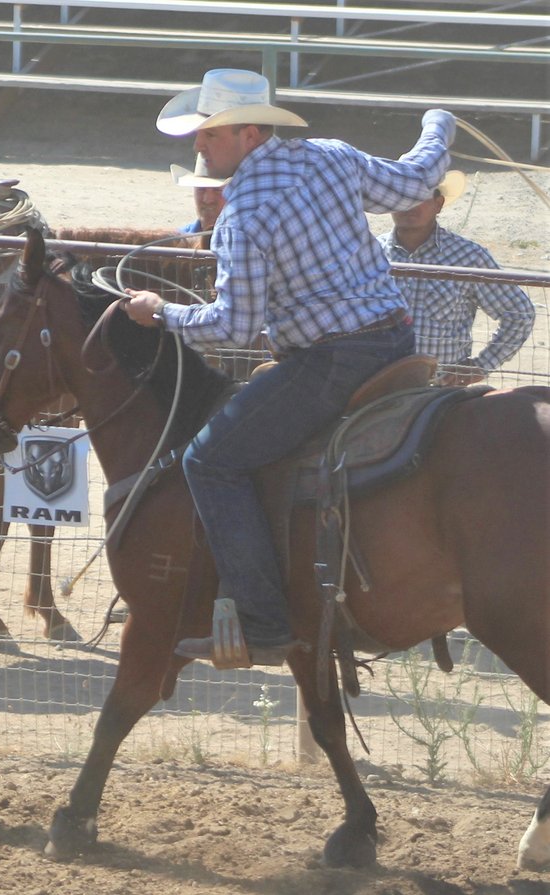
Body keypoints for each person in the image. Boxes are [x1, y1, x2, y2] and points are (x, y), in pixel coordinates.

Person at [124, 69, 453, 669]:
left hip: (329, 361)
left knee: (210, 460)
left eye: (210, 135)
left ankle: (265, 623)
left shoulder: (243, 214)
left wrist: (161, 313)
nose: (199, 146)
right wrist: (439, 124)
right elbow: (416, 180)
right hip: (395, 343)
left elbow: (232, 328)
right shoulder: (333, 157)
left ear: (250, 133)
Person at [379, 171, 536, 388]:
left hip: (440, 389)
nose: (410, 205)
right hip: (379, 384)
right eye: (402, 197)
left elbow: (519, 313)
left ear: (438, 203)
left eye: (420, 196)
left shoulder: (468, 257)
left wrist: (481, 366)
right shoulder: (371, 254)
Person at [172, 154, 228, 238]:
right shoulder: (179, 241)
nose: (207, 199)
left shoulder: (248, 243)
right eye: (201, 189)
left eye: (217, 190)